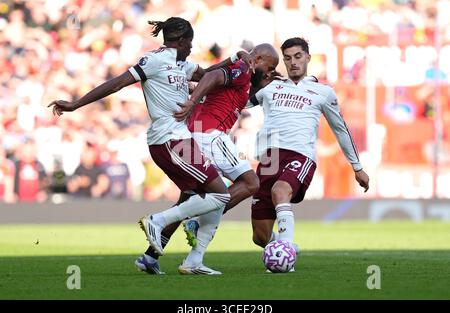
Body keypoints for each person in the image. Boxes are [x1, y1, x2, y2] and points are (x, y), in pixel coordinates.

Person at [48, 17, 249, 275]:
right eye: (190, 42)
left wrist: (234, 59)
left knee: (190, 196)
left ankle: (150, 258)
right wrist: (76, 104)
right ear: (182, 40)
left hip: (179, 140)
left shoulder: (182, 64)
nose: (191, 47)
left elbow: (208, 74)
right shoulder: (153, 61)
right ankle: (158, 220)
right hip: (169, 141)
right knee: (220, 195)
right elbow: (117, 83)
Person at [136, 43, 279, 275]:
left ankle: (156, 257)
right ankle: (171, 220)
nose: (270, 72)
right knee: (249, 183)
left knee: (191, 199)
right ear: (259, 58)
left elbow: (232, 95)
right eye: (270, 67)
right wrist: (192, 102)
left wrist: (262, 83)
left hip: (196, 134)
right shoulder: (242, 67)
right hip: (209, 135)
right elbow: (213, 75)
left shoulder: (242, 79)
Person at [247, 37, 370, 271]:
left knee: (280, 190)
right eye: (288, 58)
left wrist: (357, 167)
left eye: (298, 56)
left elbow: (340, 129)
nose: (293, 62)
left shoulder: (322, 92)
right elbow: (239, 104)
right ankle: (284, 245)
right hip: (269, 159)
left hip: (300, 155)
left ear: (308, 58)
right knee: (260, 237)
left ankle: (286, 255)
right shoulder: (271, 87)